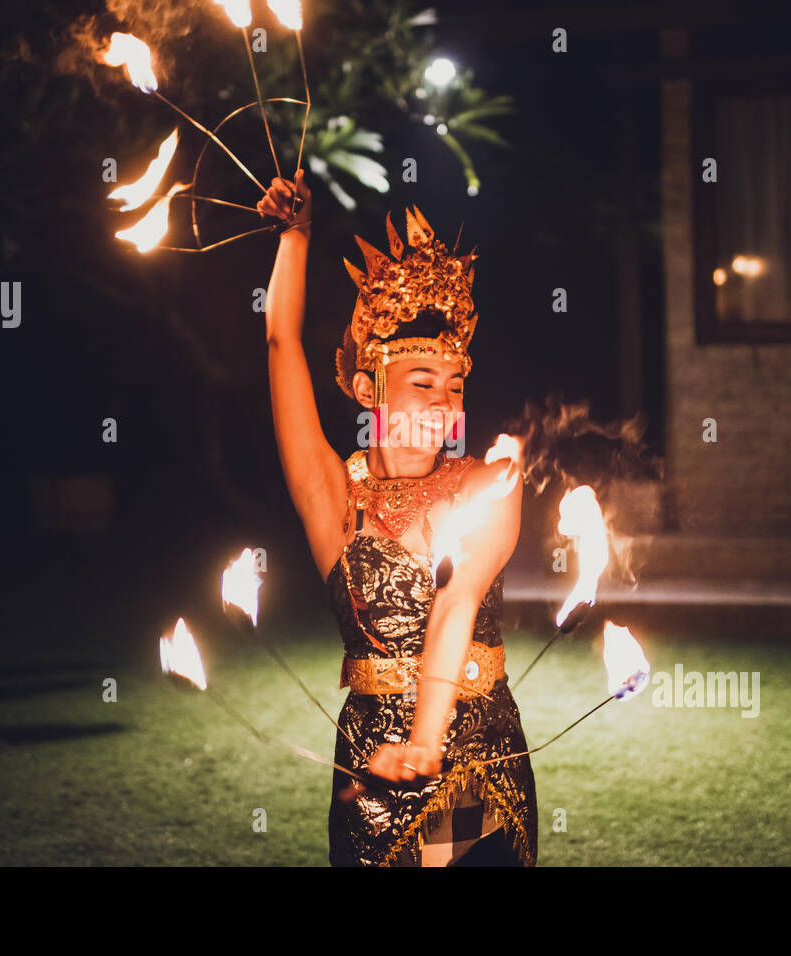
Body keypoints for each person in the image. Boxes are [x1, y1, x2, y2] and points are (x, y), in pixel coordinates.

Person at [258, 170, 538, 866]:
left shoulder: (487, 483)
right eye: (422, 384)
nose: (444, 403)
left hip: (476, 751)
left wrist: (425, 740)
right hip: (371, 755)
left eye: (454, 386)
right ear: (365, 387)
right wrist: (295, 236)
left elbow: (455, 600)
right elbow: (279, 345)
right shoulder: (334, 498)